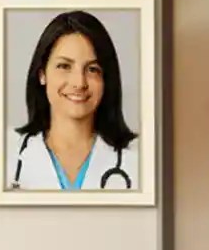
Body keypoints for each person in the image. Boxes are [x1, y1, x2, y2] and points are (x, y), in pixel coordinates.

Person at [7, 10, 139, 191]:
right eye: (64, 66)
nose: (79, 83)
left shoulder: (140, 162)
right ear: (42, 74)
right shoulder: (5, 156)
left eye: (92, 69)